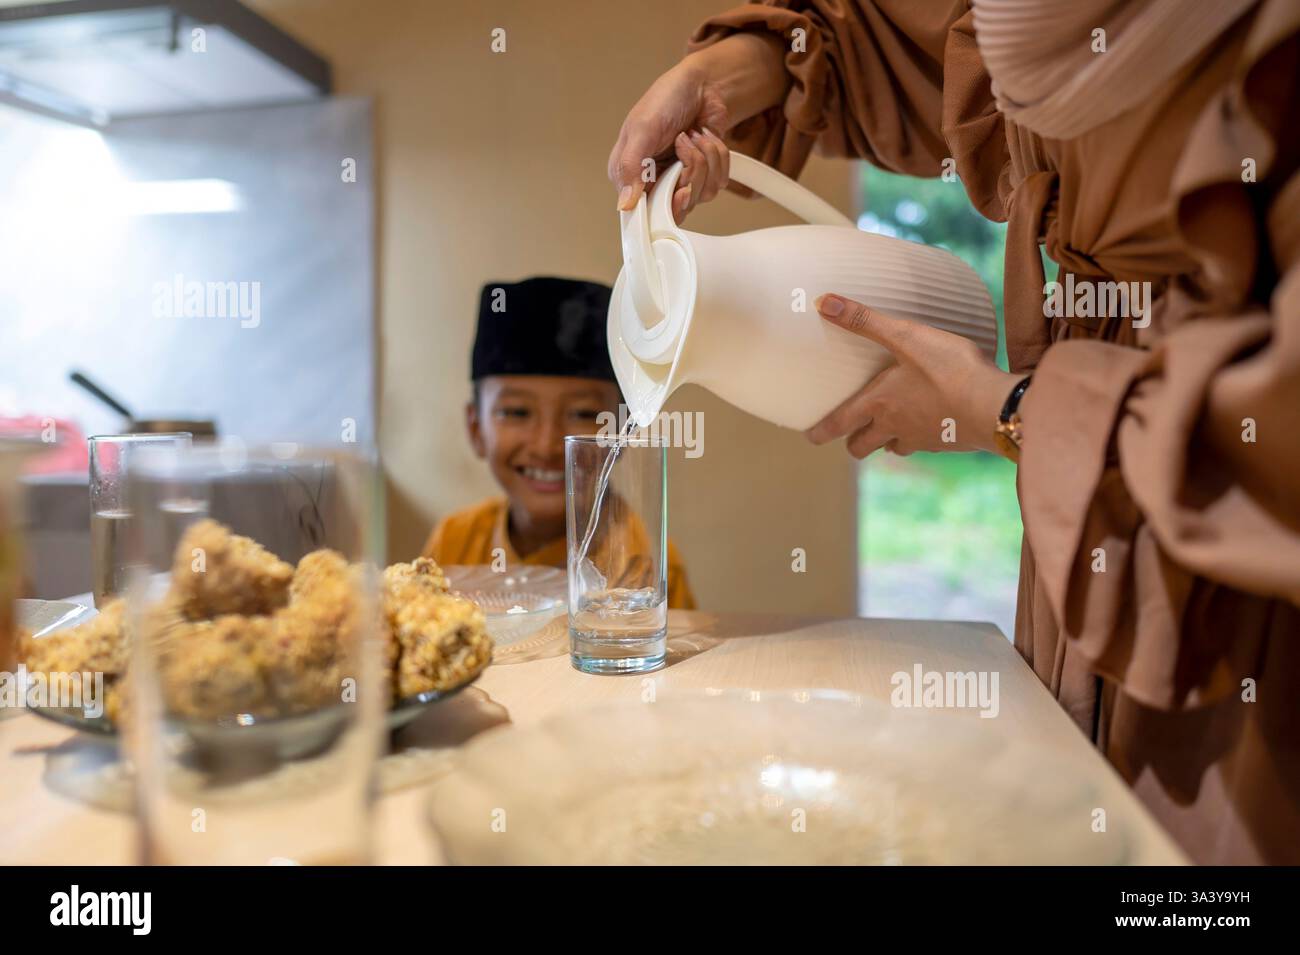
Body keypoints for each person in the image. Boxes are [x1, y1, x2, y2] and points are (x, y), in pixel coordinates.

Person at [608, 0, 1299, 863]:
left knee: (1192, 868)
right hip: (1091, 480)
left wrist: (1006, 409)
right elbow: (908, 40)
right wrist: (729, 72)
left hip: (1231, 560)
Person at [422, 277, 696, 610]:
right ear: (476, 428)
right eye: (517, 412)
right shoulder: (454, 542)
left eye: (582, 412)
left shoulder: (645, 562)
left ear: (624, 432)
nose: (547, 445)